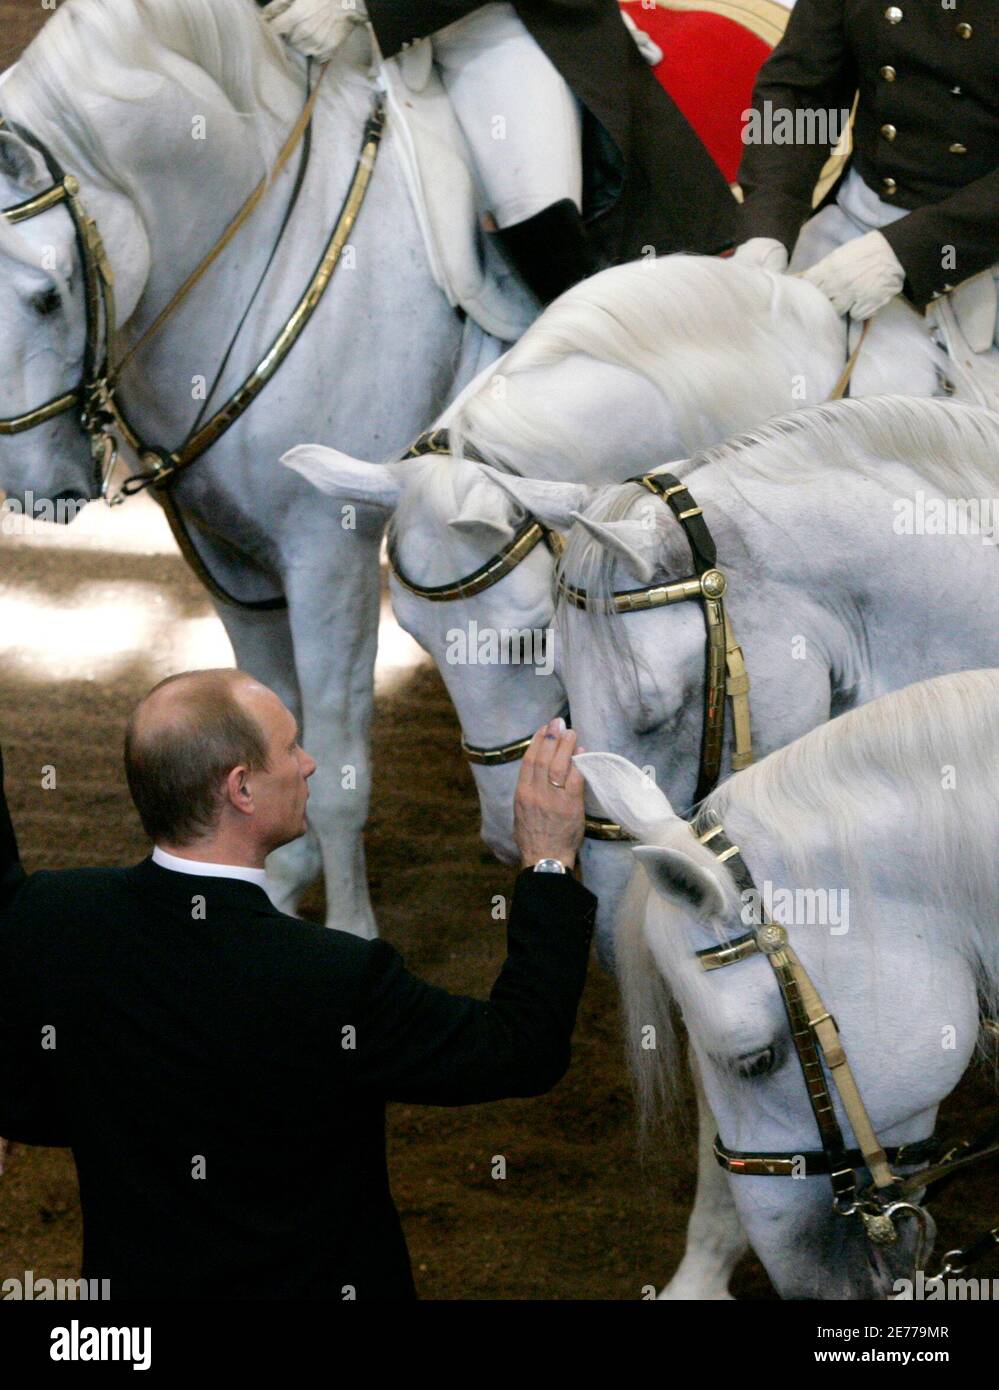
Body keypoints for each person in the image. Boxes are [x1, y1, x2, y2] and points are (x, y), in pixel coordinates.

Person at [0, 669, 595, 1299]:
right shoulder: (334, 977)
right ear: (242, 789)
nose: (310, 764)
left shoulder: (50, 917)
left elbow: (36, 1103)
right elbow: (522, 1048)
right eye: (290, 748)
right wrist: (549, 861)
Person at [259, 0, 738, 302]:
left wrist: (358, 6)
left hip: (491, 22)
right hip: (330, 28)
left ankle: (601, 364)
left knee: (530, 207)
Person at [734, 0, 999, 396]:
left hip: (981, 240)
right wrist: (768, 222)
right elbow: (804, 95)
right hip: (856, 222)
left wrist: (907, 252)